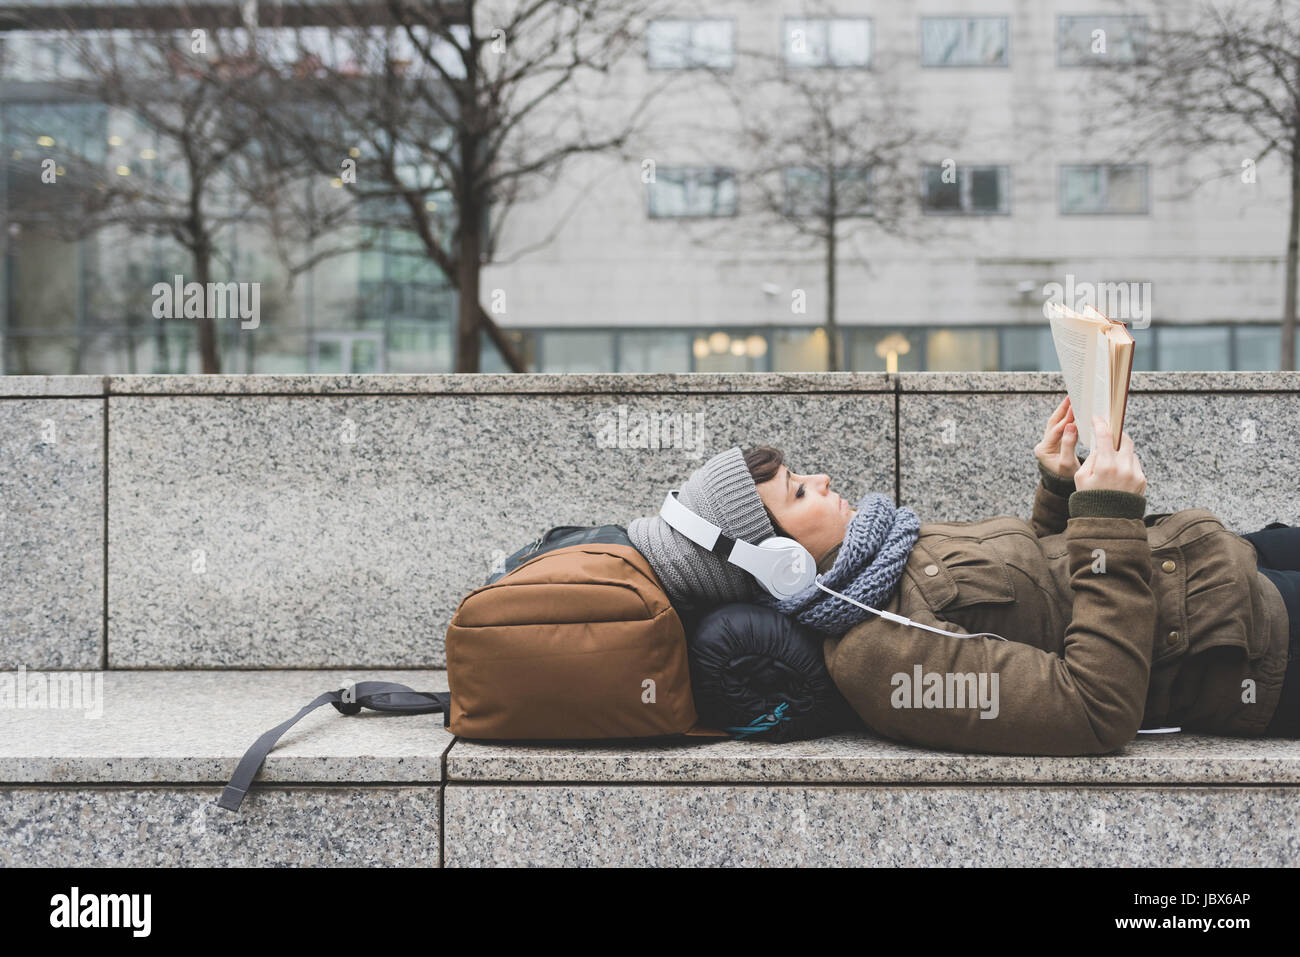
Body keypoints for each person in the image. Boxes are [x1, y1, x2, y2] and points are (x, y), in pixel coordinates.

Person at [627, 396, 1298, 754]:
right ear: (781, 563)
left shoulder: (880, 556)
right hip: (1254, 645)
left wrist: (1059, 493)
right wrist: (1106, 515)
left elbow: (1037, 590)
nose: (822, 480)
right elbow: (1094, 708)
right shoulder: (881, 657)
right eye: (798, 493)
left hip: (1221, 563)